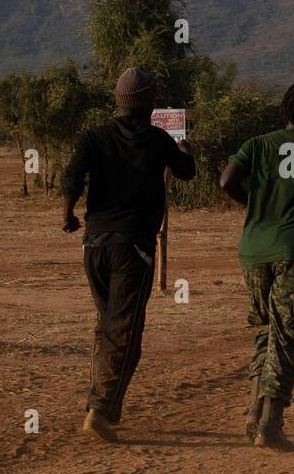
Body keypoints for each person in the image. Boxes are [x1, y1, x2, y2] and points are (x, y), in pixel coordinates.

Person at [61, 68, 196, 443]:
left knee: (106, 325)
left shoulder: (92, 137)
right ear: (148, 103)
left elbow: (72, 177)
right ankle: (101, 411)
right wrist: (186, 149)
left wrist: (67, 214)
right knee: (126, 333)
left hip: (94, 245)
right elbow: (188, 172)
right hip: (132, 249)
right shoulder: (158, 141)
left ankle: (98, 402)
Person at [219, 84, 294, 451]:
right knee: (286, 336)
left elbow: (226, 181)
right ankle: (271, 422)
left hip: (253, 250)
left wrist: (255, 203)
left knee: (265, 330)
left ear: (283, 111)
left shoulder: (257, 144)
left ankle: (255, 410)